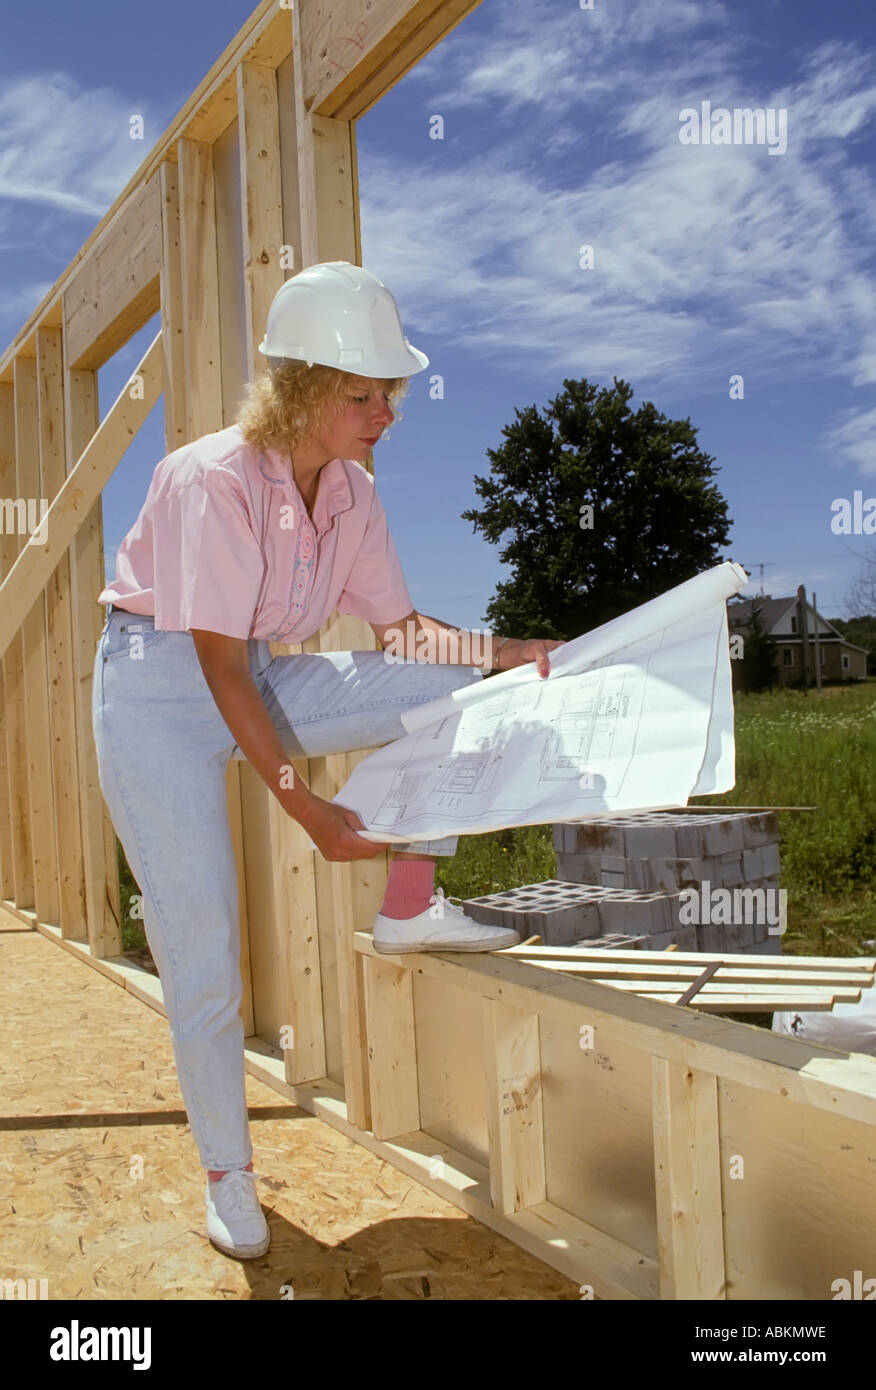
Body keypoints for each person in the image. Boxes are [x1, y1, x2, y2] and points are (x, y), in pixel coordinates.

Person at [92, 260, 565, 1261]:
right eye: (362, 391)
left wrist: (504, 650)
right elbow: (215, 667)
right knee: (205, 946)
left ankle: (408, 900)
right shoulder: (209, 478)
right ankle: (228, 1173)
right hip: (156, 694)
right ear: (300, 385)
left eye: (388, 391)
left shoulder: (351, 494)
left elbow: (399, 633)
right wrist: (308, 806)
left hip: (255, 674)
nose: (385, 411)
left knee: (452, 691)